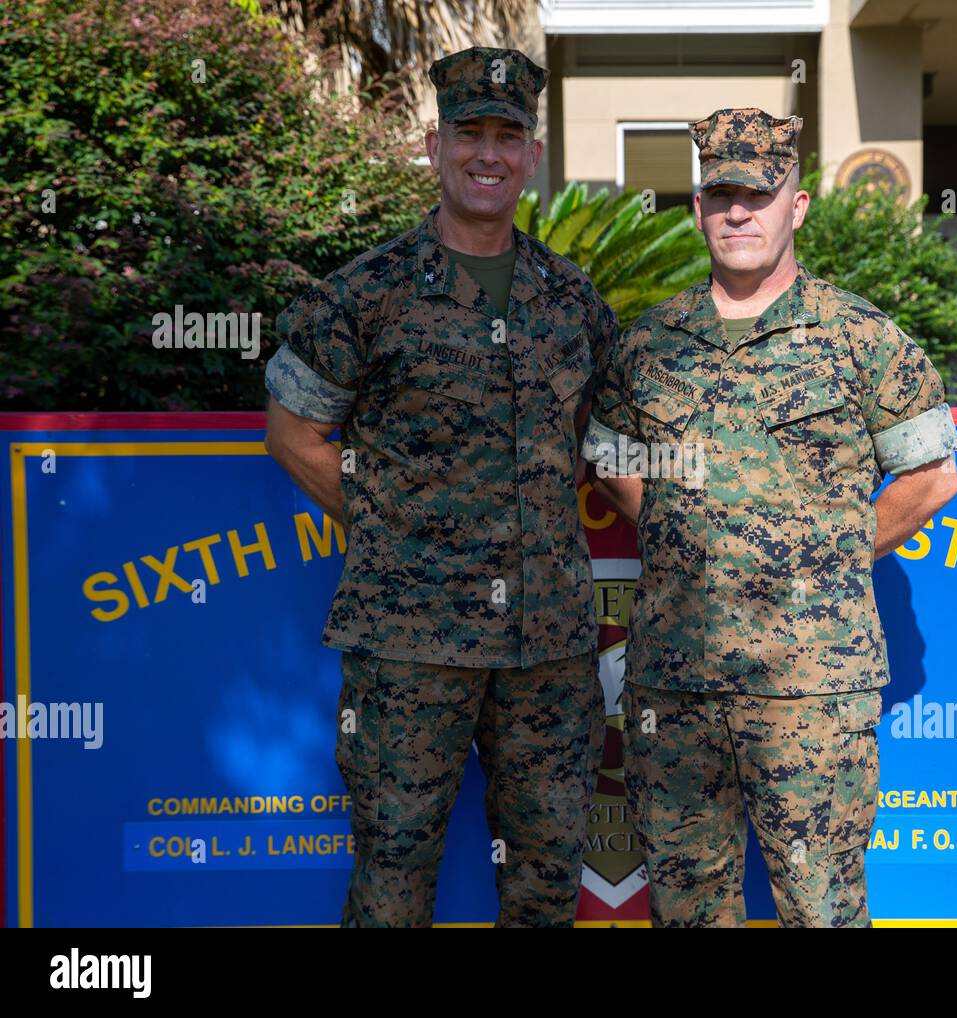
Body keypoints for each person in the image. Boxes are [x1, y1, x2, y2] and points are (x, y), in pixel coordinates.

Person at [263, 46, 616, 927]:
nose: (487, 153)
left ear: (533, 156)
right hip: (410, 639)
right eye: (469, 133)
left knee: (546, 871)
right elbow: (294, 432)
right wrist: (395, 534)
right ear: (435, 145)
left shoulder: (574, 303)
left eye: (508, 135)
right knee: (393, 863)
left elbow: (592, 440)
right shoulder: (363, 295)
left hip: (550, 646)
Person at [583, 108, 957, 927]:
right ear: (696, 207)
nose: (738, 213)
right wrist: (688, 536)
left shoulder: (862, 338)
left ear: (797, 205)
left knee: (819, 909)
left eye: (760, 193)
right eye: (720, 194)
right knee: (686, 909)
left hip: (811, 689)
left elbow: (930, 478)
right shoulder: (647, 345)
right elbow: (612, 462)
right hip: (674, 685)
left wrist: (817, 557)